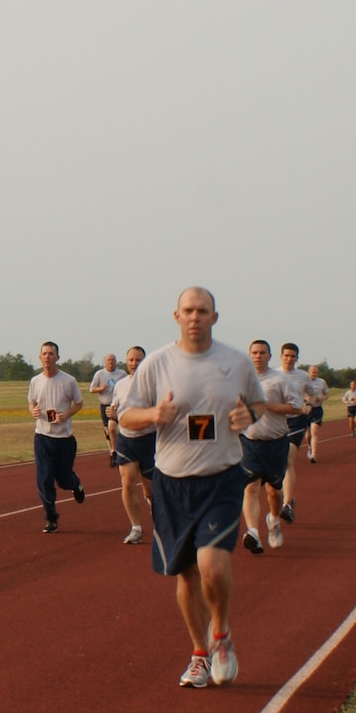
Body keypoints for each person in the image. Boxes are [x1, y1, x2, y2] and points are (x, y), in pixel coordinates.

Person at [117, 287, 263, 688]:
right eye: (188, 310)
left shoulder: (235, 362)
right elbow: (127, 416)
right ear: (176, 316)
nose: (195, 316)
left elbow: (258, 405)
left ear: (215, 317)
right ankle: (200, 652)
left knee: (212, 567)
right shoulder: (157, 364)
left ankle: (221, 633)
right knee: (184, 576)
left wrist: (247, 414)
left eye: (202, 310)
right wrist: (153, 413)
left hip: (221, 479)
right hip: (172, 483)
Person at [240, 339, 304, 552]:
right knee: (250, 487)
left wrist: (270, 406)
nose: (258, 356)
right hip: (249, 442)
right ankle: (253, 533)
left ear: (269, 356)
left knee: (274, 492)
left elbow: (296, 407)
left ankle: (274, 521)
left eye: (262, 353)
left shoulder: (280, 380)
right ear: (249, 355)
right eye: (255, 352)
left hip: (276, 442)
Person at [27, 341, 85, 533]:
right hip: (43, 437)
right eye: (44, 353)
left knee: (64, 479)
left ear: (57, 357)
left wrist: (66, 414)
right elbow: (31, 402)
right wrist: (33, 411)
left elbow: (78, 403)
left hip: (64, 439)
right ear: (39, 357)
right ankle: (51, 518)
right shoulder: (35, 381)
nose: (47, 357)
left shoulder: (68, 381)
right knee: (44, 478)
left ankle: (75, 484)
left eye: (51, 354)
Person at [111, 345, 155, 544]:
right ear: (126, 361)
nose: (134, 363)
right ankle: (136, 527)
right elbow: (114, 409)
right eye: (131, 360)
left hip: (149, 439)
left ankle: (156, 510)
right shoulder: (120, 385)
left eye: (138, 360)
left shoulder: (153, 384)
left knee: (150, 490)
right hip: (126, 439)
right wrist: (111, 417)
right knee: (127, 482)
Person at [276, 342, 313, 523]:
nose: (289, 359)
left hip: (296, 420)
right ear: (281, 356)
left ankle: (287, 504)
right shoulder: (273, 375)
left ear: (297, 358)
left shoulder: (303, 376)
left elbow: (312, 394)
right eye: (286, 355)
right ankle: (284, 497)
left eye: (293, 356)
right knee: (275, 467)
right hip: (276, 422)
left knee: (287, 459)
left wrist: (309, 404)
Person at [89, 352, 123, 465]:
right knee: (109, 430)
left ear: (115, 362)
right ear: (105, 362)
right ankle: (113, 452)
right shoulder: (99, 374)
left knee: (114, 429)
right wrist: (101, 388)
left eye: (113, 360)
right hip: (105, 405)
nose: (110, 362)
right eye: (108, 360)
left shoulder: (121, 374)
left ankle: (116, 451)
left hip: (118, 405)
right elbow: (92, 389)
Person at [302, 361, 329, 464]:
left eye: (316, 372)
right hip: (306, 409)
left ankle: (314, 454)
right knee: (307, 433)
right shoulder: (304, 382)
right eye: (313, 372)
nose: (315, 374)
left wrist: (322, 398)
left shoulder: (321, 382)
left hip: (317, 409)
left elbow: (327, 394)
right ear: (308, 372)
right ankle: (309, 447)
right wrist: (305, 400)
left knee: (314, 431)